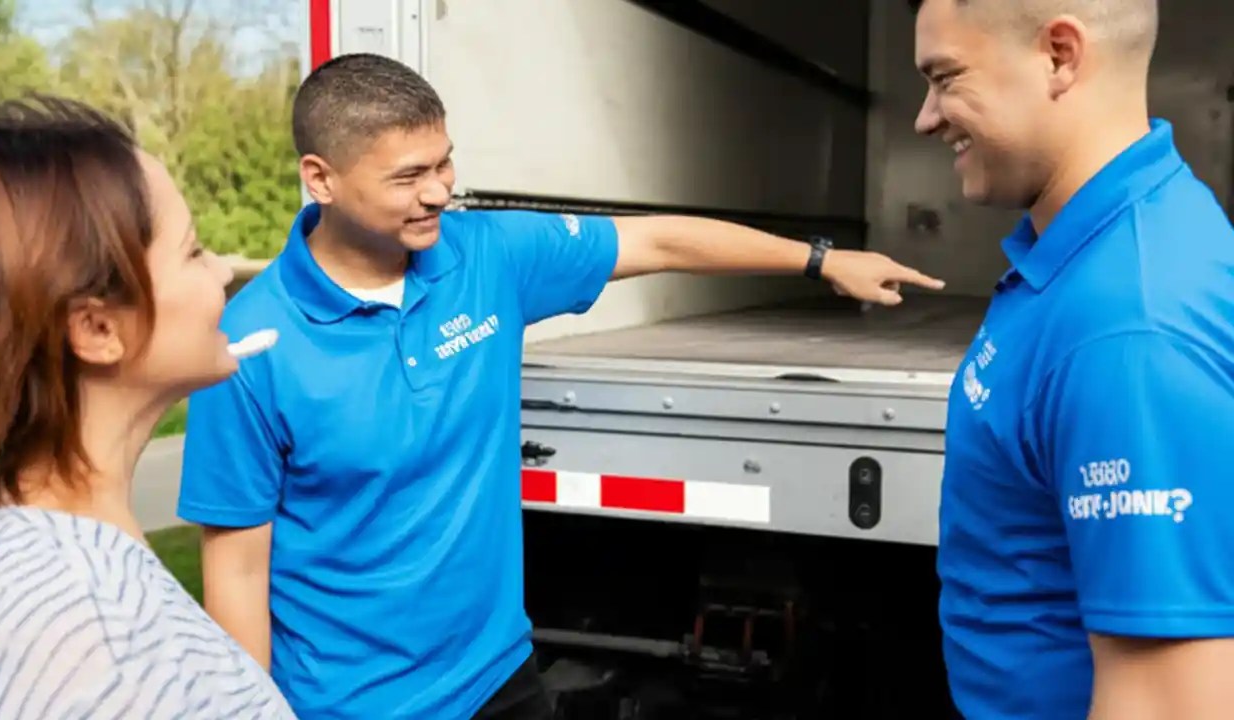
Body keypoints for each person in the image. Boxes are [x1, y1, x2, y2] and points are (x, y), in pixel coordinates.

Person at [176, 52, 946, 720]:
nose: (440, 192)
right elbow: (237, 573)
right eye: (409, 175)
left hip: (499, 677)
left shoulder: (484, 257)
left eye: (444, 162)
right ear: (322, 179)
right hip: (353, 705)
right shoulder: (250, 344)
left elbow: (656, 239)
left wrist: (822, 261)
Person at [910, 0, 1234, 717]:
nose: (925, 118)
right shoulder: (1092, 252)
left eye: (945, 77)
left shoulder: (1128, 330)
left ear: (1059, 55)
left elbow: (1168, 706)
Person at [0, 96, 296, 719]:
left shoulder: (45, 572)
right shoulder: (82, 628)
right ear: (96, 329)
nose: (221, 271)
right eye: (193, 252)